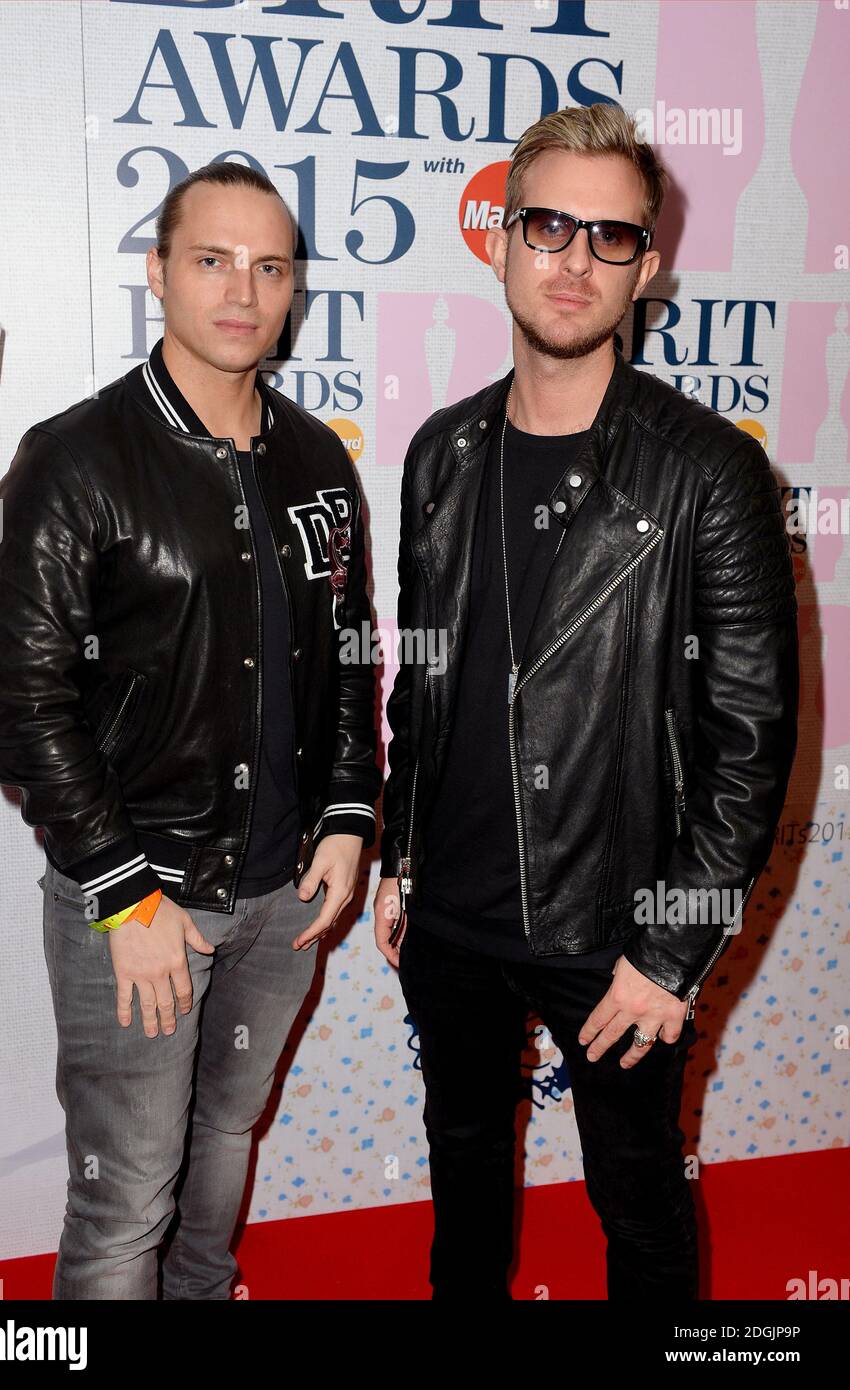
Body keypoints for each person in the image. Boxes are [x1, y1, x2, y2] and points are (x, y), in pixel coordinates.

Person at [373, 103, 798, 1301]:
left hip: (615, 930)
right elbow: (427, 674)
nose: (573, 260)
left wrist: (668, 955)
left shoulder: (708, 469)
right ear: (499, 239)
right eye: (548, 225)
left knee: (636, 1197)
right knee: (461, 1175)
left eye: (609, 237)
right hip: (450, 918)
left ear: (646, 266)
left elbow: (748, 744)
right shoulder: (439, 454)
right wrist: (402, 853)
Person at [0, 162, 381, 1299]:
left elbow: (349, 652)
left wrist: (349, 815)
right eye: (212, 260)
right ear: (158, 274)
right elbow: (20, 699)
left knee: (219, 1158)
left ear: (293, 289)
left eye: (269, 266)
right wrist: (121, 888)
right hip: (145, 901)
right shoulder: (76, 457)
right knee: (123, 1207)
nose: (241, 290)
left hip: (282, 899)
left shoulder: (316, 460)